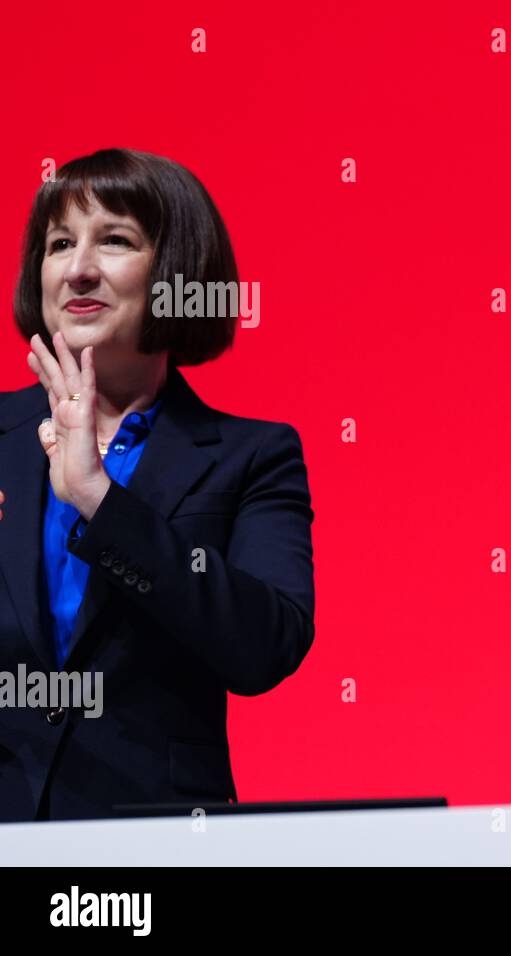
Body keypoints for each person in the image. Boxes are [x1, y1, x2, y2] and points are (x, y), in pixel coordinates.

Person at [0, 148, 315, 821]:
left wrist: (99, 500)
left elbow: (263, 648)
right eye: (60, 244)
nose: (79, 267)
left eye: (114, 240)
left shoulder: (251, 456)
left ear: (177, 272)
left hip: (154, 840)